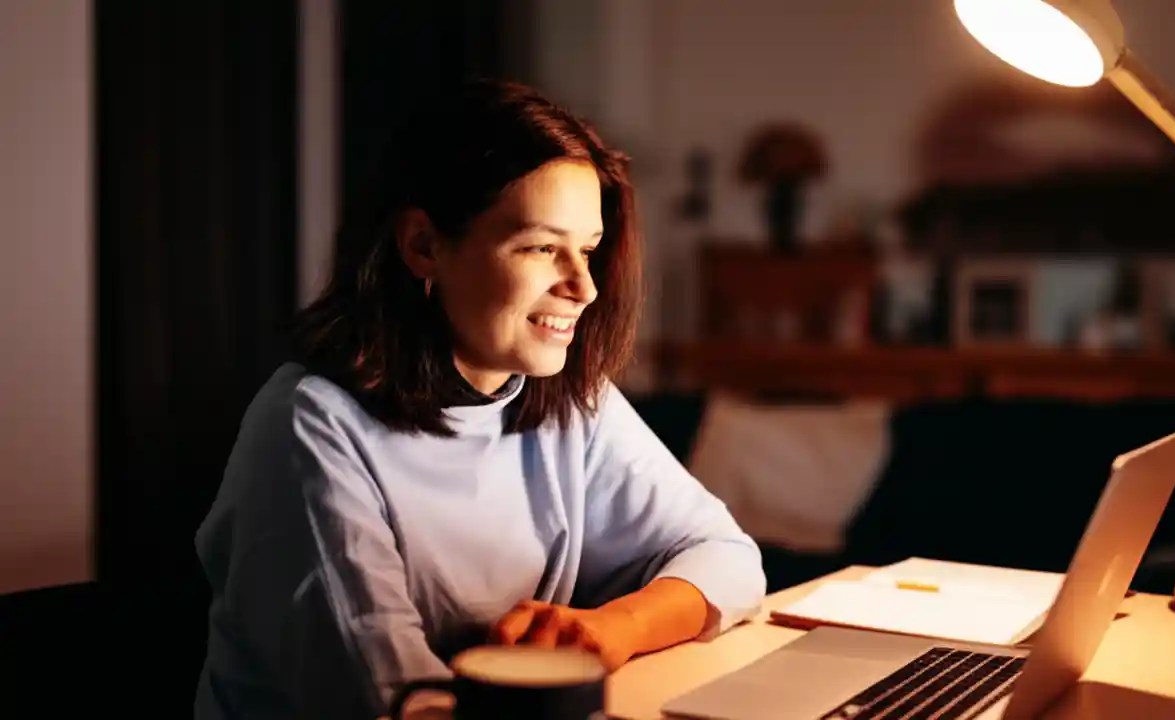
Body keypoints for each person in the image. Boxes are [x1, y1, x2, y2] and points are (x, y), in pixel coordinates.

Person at [192, 78, 766, 719]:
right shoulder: (311, 425)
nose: (584, 288)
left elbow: (731, 558)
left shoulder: (569, 400)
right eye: (542, 248)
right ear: (423, 246)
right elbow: (406, 703)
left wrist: (614, 628)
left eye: (588, 251)